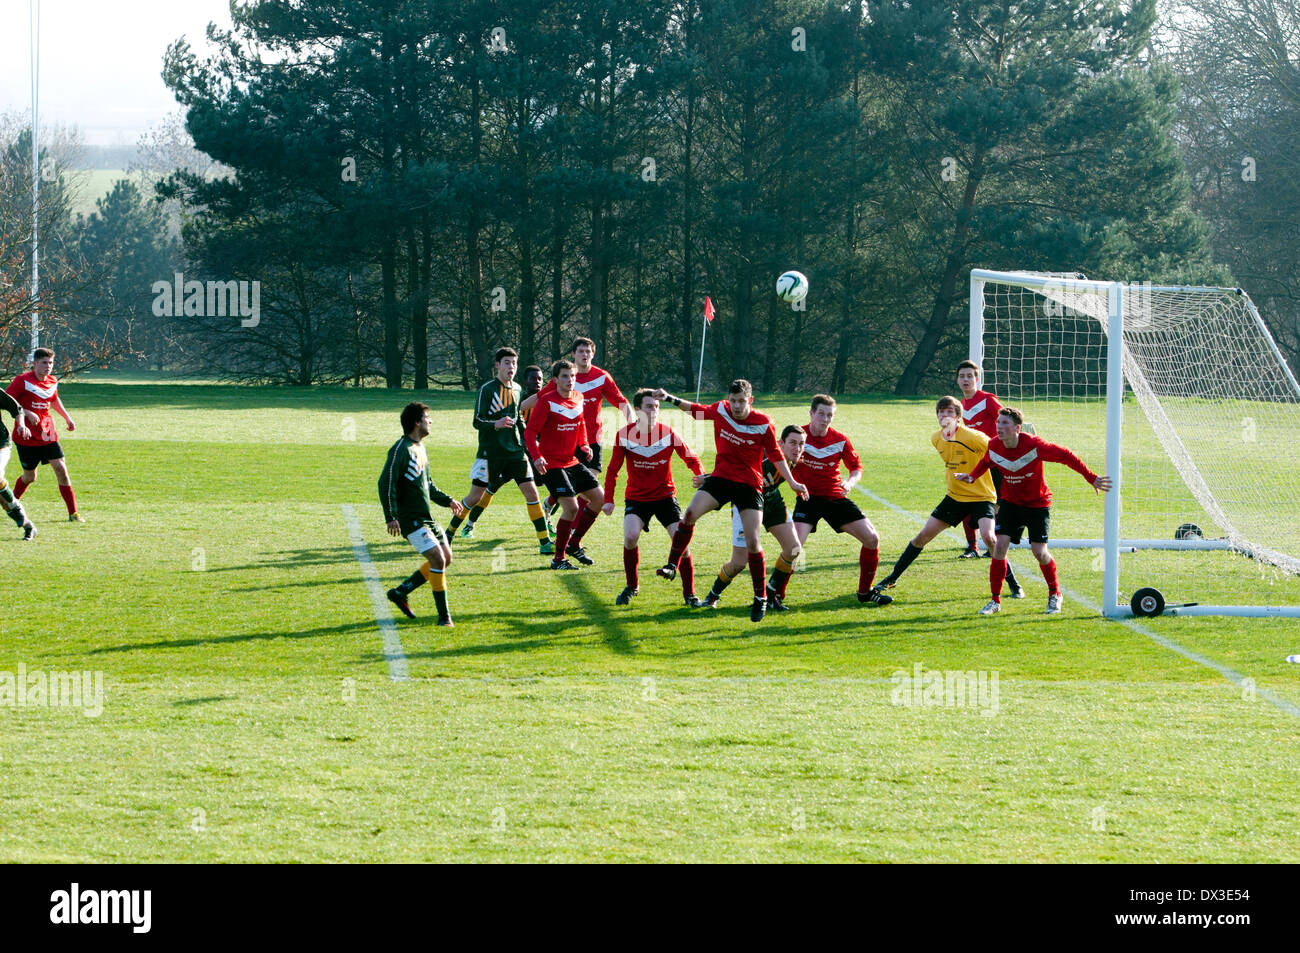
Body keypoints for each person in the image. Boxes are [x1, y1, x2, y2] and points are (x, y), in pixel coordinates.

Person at [650, 380, 808, 623]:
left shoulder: (763, 423)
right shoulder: (722, 409)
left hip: (748, 486)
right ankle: (672, 564)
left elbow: (776, 455)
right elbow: (697, 411)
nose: (736, 406)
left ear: (750, 401)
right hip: (722, 479)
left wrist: (794, 483)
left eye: (741, 401)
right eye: (733, 400)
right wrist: (670, 398)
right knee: (690, 513)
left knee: (754, 543)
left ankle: (761, 598)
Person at [956, 406, 1112, 615]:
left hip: (1037, 504)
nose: (999, 427)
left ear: (1017, 428)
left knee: (1039, 552)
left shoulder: (1034, 445)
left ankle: (1055, 594)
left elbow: (1066, 455)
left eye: (1005, 424)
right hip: (1010, 503)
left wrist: (1090, 477)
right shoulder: (994, 445)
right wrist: (973, 476)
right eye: (998, 423)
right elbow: (986, 462)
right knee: (999, 547)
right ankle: (995, 601)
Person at [869, 396, 1023, 601]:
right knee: (922, 537)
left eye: (949, 412)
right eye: (940, 412)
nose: (944, 415)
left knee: (990, 538)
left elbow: (998, 452)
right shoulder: (936, 438)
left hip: (982, 496)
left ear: (959, 417)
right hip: (955, 497)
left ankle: (1014, 585)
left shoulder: (974, 437)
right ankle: (892, 577)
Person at [782, 395, 891, 607]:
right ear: (812, 413)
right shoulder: (797, 436)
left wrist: (850, 483)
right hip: (807, 498)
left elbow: (856, 468)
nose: (825, 419)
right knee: (794, 547)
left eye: (829, 415)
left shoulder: (840, 439)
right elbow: (777, 458)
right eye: (821, 413)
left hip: (835, 497)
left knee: (872, 539)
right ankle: (776, 594)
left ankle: (865, 592)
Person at [521, 337, 633, 544]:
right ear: (573, 354)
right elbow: (540, 397)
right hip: (565, 442)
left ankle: (556, 510)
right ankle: (568, 529)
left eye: (588, 351)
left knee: (588, 484)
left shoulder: (602, 377)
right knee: (580, 489)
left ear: (593, 354)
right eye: (580, 351)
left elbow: (620, 400)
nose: (584, 354)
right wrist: (518, 408)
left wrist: (634, 423)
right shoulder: (565, 377)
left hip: (592, 440)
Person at [601, 389, 705, 606]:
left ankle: (690, 594)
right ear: (637, 410)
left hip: (665, 497)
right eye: (649, 406)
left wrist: (701, 476)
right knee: (630, 536)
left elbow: (691, 458)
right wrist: (608, 498)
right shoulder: (624, 434)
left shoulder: (668, 433)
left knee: (681, 544)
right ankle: (632, 586)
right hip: (637, 499)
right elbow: (612, 470)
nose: (654, 411)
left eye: (657, 407)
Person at [445, 349, 554, 554]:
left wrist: (531, 443)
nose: (511, 367)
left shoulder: (518, 389)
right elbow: (477, 421)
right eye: (506, 363)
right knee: (474, 497)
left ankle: (544, 543)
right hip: (490, 453)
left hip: (515, 452)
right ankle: (449, 533)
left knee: (532, 493)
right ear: (497, 365)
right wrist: (496, 423)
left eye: (513, 363)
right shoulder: (487, 389)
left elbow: (519, 418)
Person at [702, 425, 806, 611]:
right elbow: (736, 468)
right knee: (739, 563)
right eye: (792, 443)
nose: (797, 448)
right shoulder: (766, 457)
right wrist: (709, 479)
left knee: (793, 549)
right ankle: (712, 596)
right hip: (746, 503)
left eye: (801, 444)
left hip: (772, 500)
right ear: (780, 444)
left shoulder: (793, 458)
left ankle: (770, 595)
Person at [381, 402, 467, 626]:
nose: (431, 421)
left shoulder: (419, 447)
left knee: (446, 558)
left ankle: (401, 591)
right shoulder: (401, 449)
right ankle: (444, 617)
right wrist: (391, 516)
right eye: (427, 417)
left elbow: (428, 483)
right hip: (410, 519)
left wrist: (448, 500)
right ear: (417, 422)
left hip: (426, 517)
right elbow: (386, 482)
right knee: (437, 558)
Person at [524, 360, 604, 570]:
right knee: (571, 507)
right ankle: (558, 559)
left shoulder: (579, 397)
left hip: (572, 461)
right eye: (565, 376)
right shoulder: (546, 401)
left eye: (573, 376)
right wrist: (537, 456)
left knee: (599, 499)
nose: (570, 381)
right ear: (556, 380)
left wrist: (584, 444)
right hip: (551, 464)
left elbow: (581, 424)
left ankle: (574, 544)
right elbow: (530, 432)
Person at [7, 348, 80, 521]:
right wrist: (26, 412)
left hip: (47, 433)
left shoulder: (53, 381)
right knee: (30, 477)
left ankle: (73, 514)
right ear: (35, 364)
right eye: (44, 362)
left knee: (61, 469)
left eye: (51, 363)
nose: (48, 366)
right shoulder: (22, 380)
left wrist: (67, 418)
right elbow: (6, 401)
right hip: (26, 436)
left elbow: (53, 399)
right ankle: (12, 505)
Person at [956, 359, 1003, 558]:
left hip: (993, 461)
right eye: (961, 376)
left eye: (969, 376)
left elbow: (1005, 421)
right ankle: (972, 547)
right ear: (957, 380)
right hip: (970, 462)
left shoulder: (988, 400)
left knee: (996, 503)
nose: (965, 380)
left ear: (976, 379)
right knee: (967, 500)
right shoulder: (959, 405)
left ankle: (996, 545)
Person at [0, 388, 35, 539]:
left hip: (1, 445)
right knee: (2, 500)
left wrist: (21, 424)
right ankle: (28, 525)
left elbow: (16, 408)